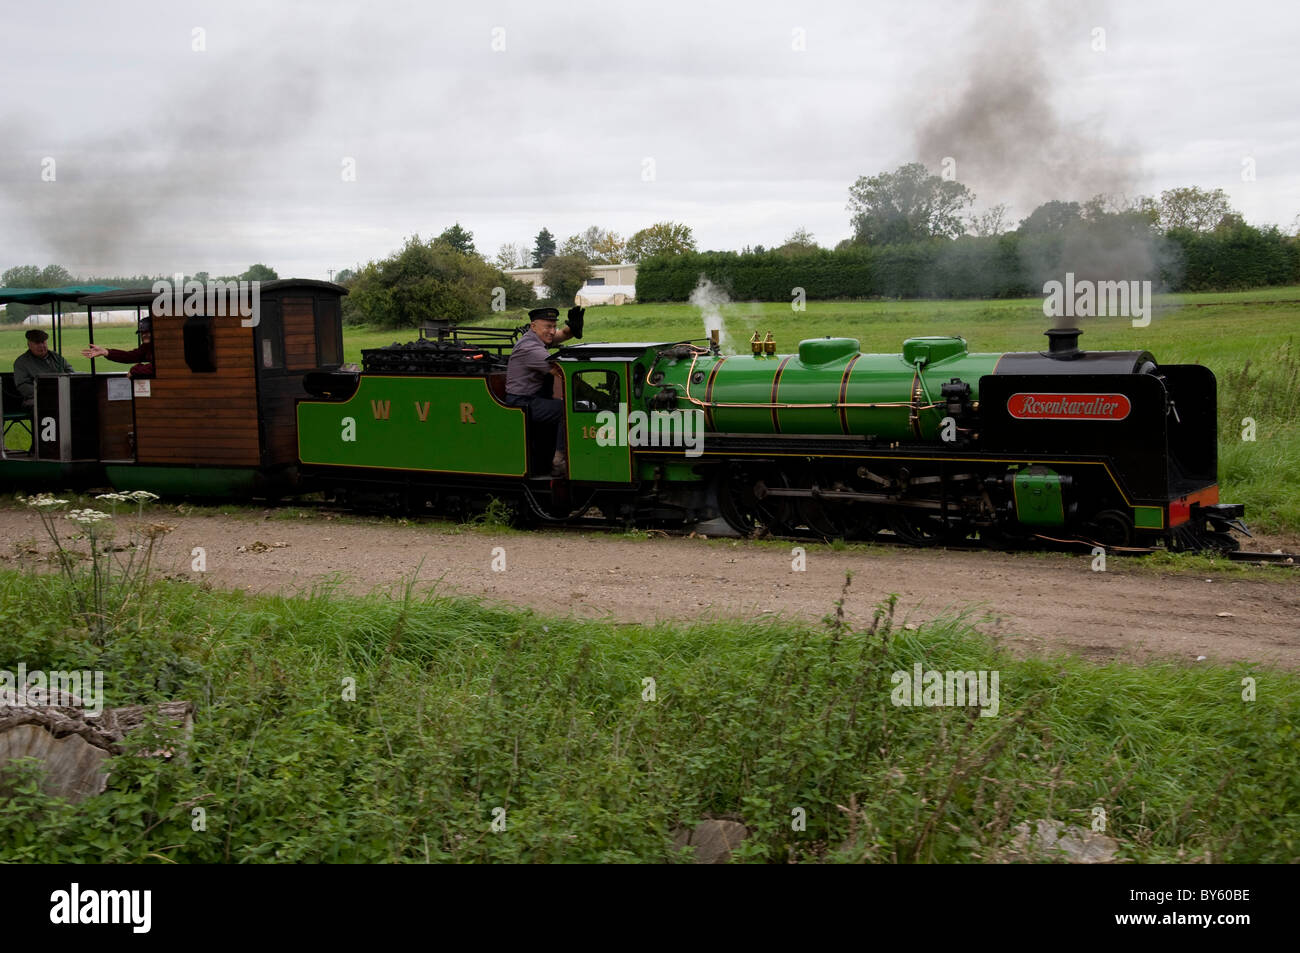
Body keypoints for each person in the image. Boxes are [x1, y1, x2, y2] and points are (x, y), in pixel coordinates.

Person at [505, 306, 584, 476]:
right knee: (567, 411)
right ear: (533, 326)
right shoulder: (530, 348)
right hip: (521, 402)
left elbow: (561, 335)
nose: (552, 331)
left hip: (533, 399)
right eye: (548, 326)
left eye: (553, 326)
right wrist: (595, 396)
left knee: (565, 406)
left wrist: (573, 328)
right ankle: (559, 460)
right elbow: (561, 372)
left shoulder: (536, 339)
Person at [13, 328, 73, 408]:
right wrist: (45, 393)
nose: (41, 346)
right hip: (37, 398)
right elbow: (23, 385)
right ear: (29, 344)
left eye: (43, 342)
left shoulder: (56, 357)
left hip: (62, 394)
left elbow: (70, 372)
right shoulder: (22, 362)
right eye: (37, 343)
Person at [81, 316, 154, 378]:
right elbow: (131, 356)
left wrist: (135, 370)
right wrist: (106, 352)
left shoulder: (160, 347)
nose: (144, 335)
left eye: (147, 332)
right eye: (142, 332)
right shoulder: (147, 346)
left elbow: (157, 366)